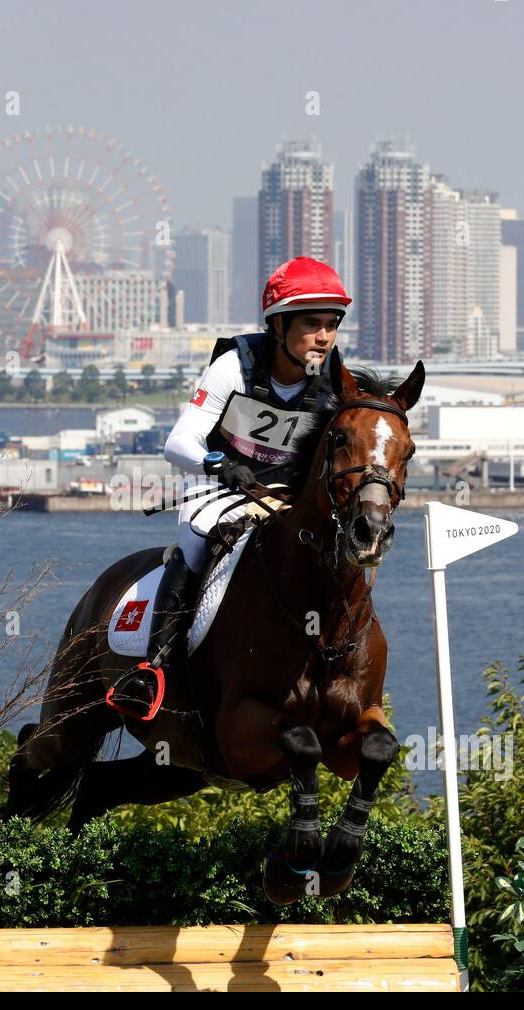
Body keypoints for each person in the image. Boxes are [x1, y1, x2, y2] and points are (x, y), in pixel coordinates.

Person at [107, 256, 351, 721]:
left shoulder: (335, 382)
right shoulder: (233, 366)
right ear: (278, 326)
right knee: (197, 545)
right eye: (311, 323)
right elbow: (178, 441)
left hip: (287, 499)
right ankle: (155, 667)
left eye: (331, 324)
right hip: (219, 492)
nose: (324, 336)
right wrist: (218, 464)